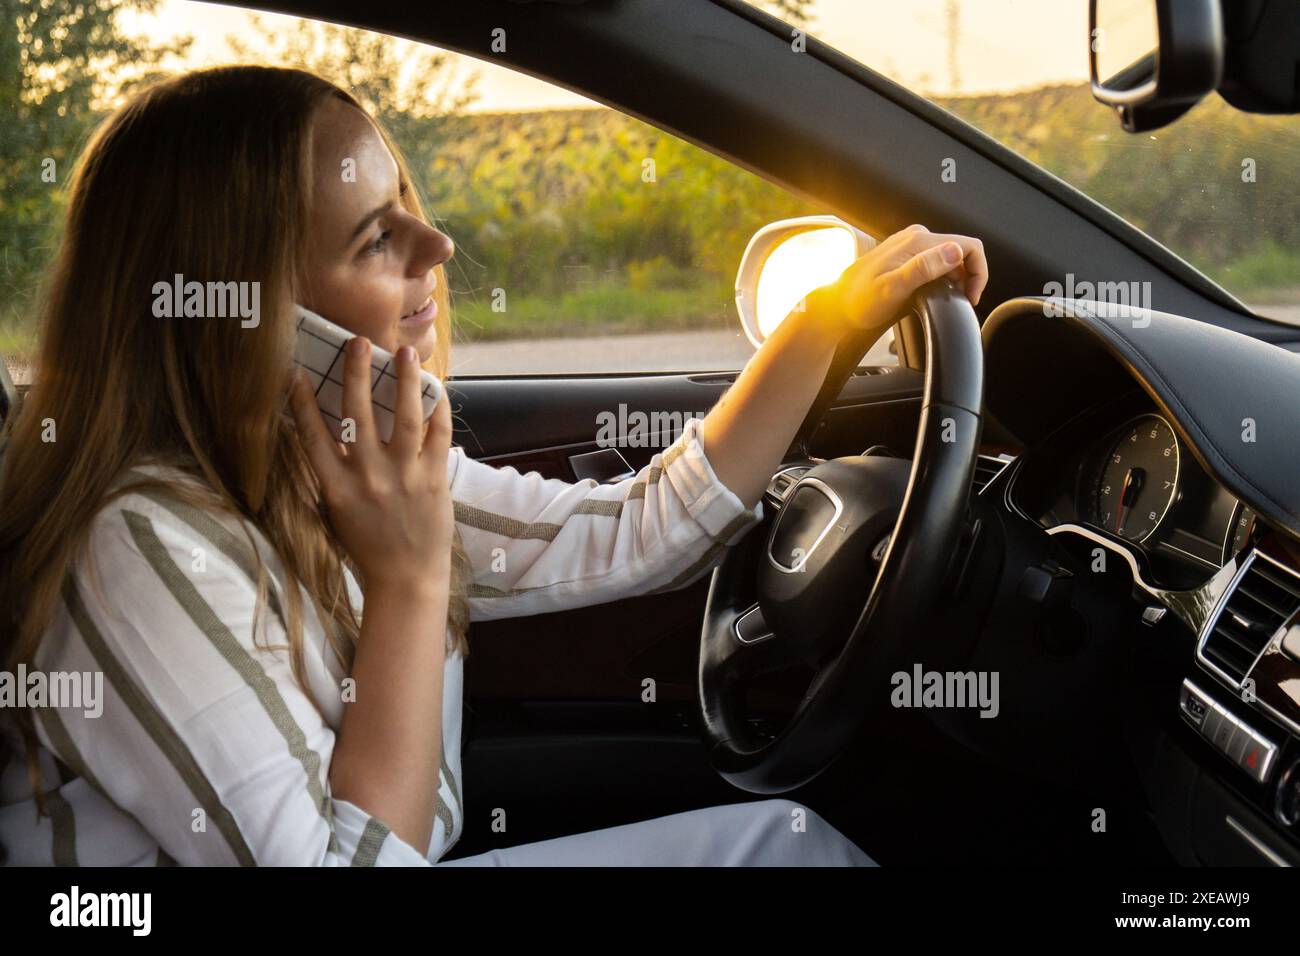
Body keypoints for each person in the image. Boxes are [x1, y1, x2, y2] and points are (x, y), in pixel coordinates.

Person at [0, 66, 986, 866]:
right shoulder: (140, 549)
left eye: (407, 205)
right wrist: (408, 577)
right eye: (375, 238)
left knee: (791, 845)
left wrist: (826, 323)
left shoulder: (342, 467)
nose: (438, 242)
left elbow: (638, 531)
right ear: (253, 324)